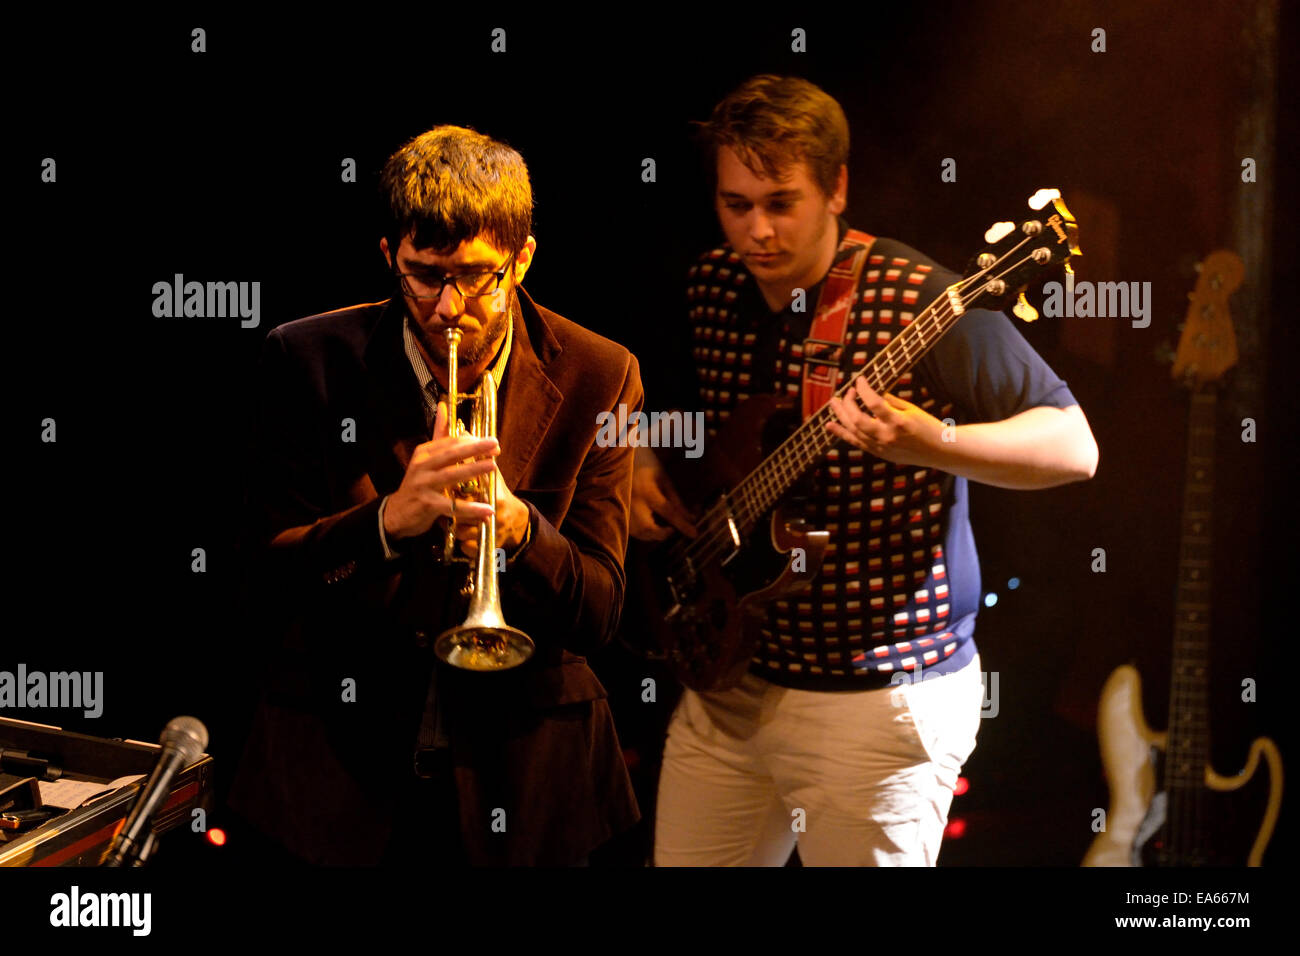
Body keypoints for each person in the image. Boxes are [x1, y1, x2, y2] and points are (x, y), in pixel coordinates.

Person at [635, 75, 1098, 866]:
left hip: (877, 700)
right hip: (728, 679)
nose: (757, 231)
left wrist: (934, 444)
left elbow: (1072, 446)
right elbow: (644, 399)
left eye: (781, 203)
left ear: (837, 188)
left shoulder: (922, 299)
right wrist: (634, 454)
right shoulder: (711, 283)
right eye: (736, 204)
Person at [229, 125, 641, 866]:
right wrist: (387, 523)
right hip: (338, 780)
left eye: (477, 276)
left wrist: (520, 531)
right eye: (424, 275)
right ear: (390, 255)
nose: (450, 307)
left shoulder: (601, 374)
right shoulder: (304, 359)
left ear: (522, 259)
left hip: (528, 785)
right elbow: (261, 582)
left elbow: (602, 611)